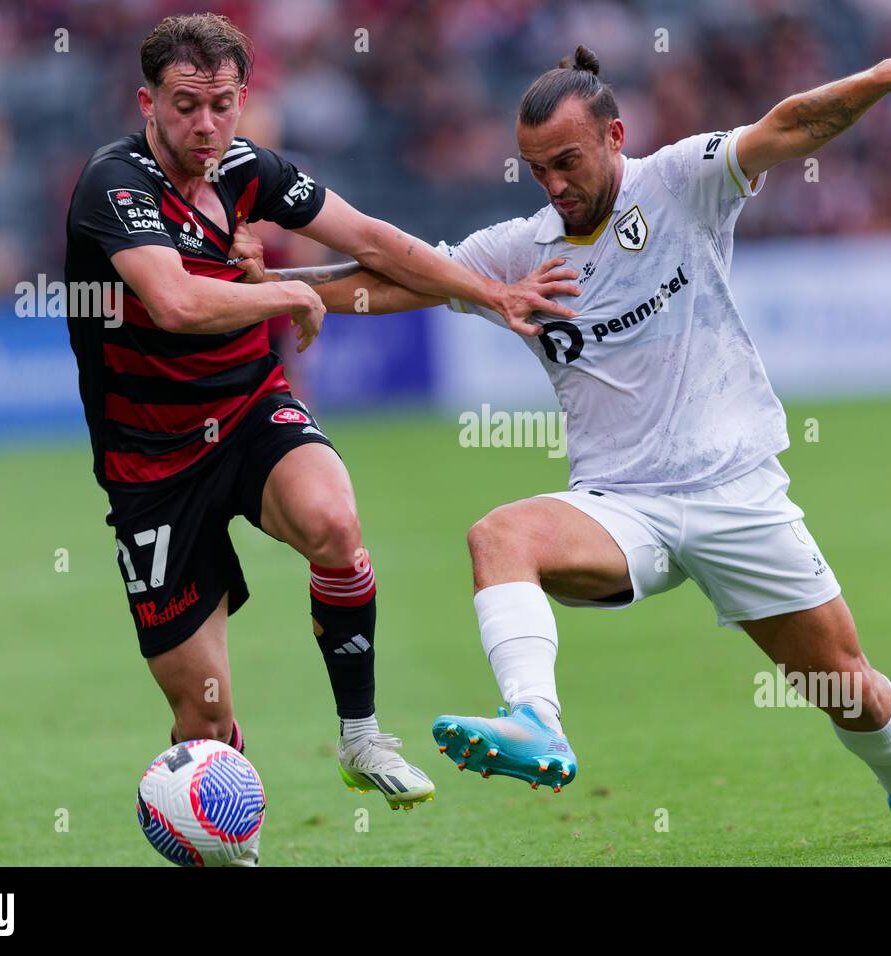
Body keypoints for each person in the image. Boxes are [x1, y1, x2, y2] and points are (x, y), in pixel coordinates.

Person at [297, 18, 891, 840]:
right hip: (620, 508)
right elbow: (397, 281)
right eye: (537, 170)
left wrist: (887, 74)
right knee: (499, 536)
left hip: (737, 492)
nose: (554, 185)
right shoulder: (518, 249)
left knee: (845, 684)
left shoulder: (682, 182)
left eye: (568, 162)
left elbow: (792, 124)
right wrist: (281, 288)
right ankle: (537, 720)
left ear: (615, 135)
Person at [62, 13, 575, 834]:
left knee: (335, 521)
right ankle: (235, 845)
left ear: (242, 100)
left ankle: (362, 738)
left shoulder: (246, 169)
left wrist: (495, 295)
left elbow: (371, 239)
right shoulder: (113, 184)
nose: (206, 125)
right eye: (186, 104)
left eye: (222, 104)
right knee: (202, 720)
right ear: (147, 101)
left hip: (249, 410)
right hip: (150, 466)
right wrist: (289, 292)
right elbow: (176, 300)